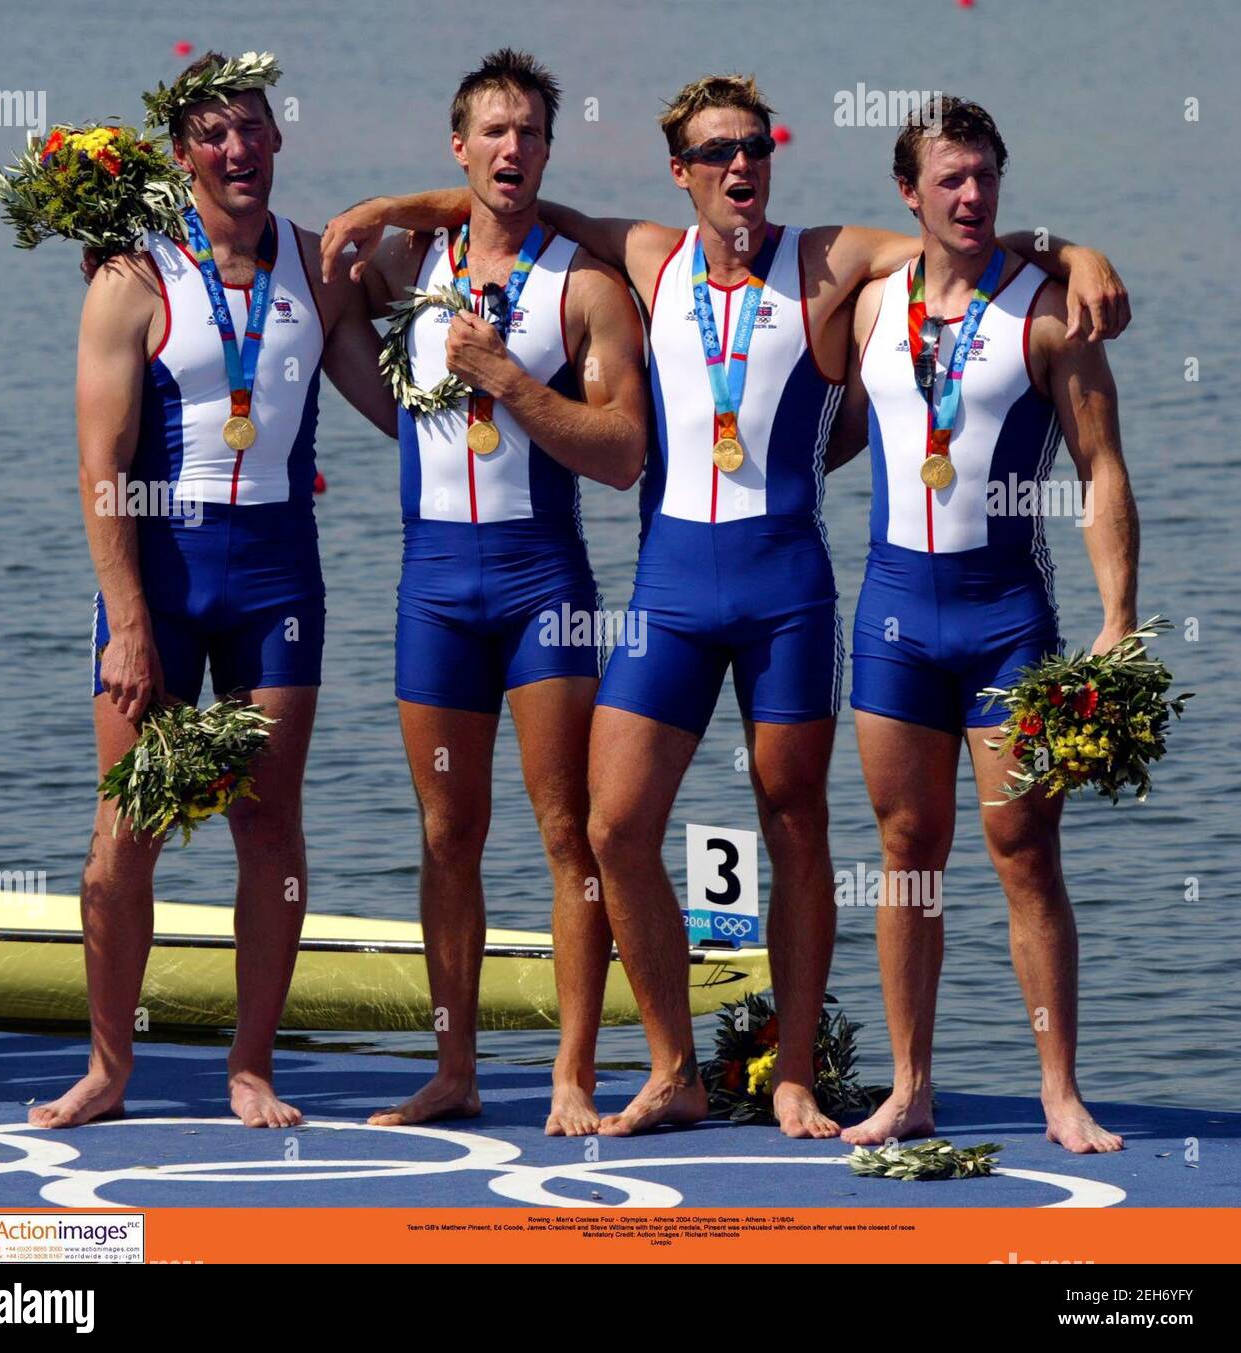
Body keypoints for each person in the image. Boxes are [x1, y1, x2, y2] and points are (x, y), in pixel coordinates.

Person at [323, 74, 1128, 1139]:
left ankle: (792, 1072)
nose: (738, 167)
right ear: (682, 172)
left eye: (753, 148)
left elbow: (959, 238)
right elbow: (517, 206)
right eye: (715, 154)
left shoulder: (829, 260)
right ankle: (673, 1070)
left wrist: (1074, 252)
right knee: (612, 825)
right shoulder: (648, 256)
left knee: (796, 822)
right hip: (671, 586)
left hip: (788, 589)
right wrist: (388, 212)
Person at [30, 51, 394, 1130]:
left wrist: (505, 405)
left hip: (278, 573)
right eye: (214, 136)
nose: (237, 151)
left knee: (268, 824)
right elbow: (101, 466)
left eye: (253, 130)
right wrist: (129, 623)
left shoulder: (323, 268)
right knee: (126, 830)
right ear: (184, 155)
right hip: (162, 571)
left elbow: (392, 403)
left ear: (279, 140)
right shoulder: (131, 278)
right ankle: (108, 1067)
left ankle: (250, 1066)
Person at [334, 50, 648, 1135]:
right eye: (494, 133)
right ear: (458, 150)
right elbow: (311, 287)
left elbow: (622, 456)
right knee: (445, 832)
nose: (513, 149)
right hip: (433, 586)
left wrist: (508, 381)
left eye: (531, 134)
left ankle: (573, 1075)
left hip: (539, 584)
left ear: (549, 153)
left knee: (570, 834)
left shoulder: (586, 286)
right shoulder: (406, 265)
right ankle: (453, 1071)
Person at [829, 97, 1136, 1154]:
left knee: (1024, 851)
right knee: (907, 851)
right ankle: (909, 1089)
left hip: (1007, 618)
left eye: (984, 177)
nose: (970, 196)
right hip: (893, 617)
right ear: (907, 194)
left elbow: (1101, 470)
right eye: (948, 179)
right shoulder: (871, 307)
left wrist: (1118, 619)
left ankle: (1058, 1092)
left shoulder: (1047, 311)